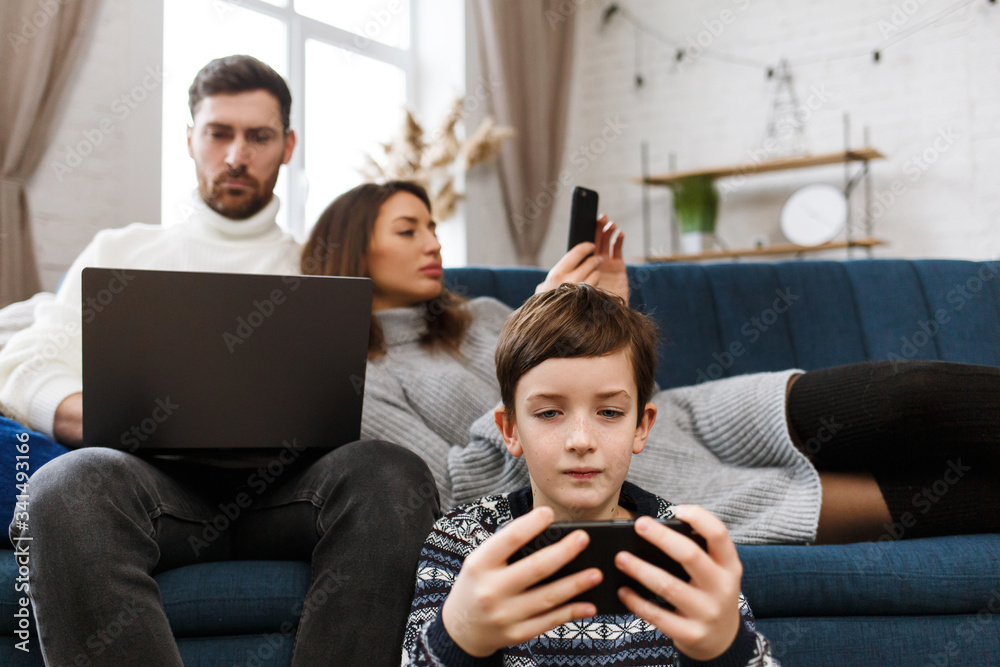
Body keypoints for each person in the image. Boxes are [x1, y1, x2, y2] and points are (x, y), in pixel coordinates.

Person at [0, 57, 437, 666]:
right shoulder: (123, 251)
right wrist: (110, 417)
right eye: (218, 133)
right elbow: (25, 362)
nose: (236, 155)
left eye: (258, 137)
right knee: (60, 487)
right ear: (189, 139)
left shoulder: (320, 268)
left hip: (290, 497)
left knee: (391, 473)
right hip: (156, 494)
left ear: (287, 146)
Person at [301, 180, 1000, 546]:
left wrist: (609, 321)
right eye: (408, 229)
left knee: (915, 392)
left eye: (432, 225)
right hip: (639, 484)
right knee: (936, 494)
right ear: (351, 248)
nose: (433, 242)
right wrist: (547, 334)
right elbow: (449, 495)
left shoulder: (482, 312)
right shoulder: (360, 376)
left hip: (686, 415)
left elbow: (626, 391)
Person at [401, 283, 777, 666]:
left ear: (641, 426)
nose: (581, 440)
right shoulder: (461, 541)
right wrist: (460, 639)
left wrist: (725, 650)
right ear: (510, 429)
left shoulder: (685, 550)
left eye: (609, 412)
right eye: (549, 413)